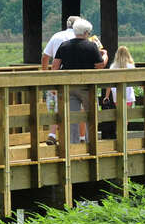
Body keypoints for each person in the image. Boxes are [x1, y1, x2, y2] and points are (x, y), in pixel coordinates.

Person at [52, 18, 107, 144]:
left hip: (69, 86)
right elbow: (100, 66)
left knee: (72, 118)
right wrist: (105, 55)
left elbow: (55, 66)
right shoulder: (92, 46)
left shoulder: (64, 45)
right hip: (87, 87)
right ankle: (91, 144)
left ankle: (73, 145)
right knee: (91, 116)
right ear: (86, 32)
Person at [42, 15, 79, 145]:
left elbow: (45, 57)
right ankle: (77, 138)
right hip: (74, 78)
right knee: (74, 107)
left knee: (54, 105)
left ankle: (52, 133)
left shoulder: (56, 36)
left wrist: (45, 74)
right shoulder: (80, 37)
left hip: (56, 76)